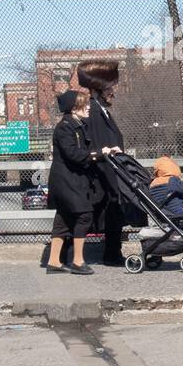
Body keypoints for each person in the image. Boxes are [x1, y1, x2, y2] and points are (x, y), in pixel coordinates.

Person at [45, 91, 119, 274]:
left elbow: (84, 151)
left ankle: (54, 262)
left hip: (72, 180)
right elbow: (74, 155)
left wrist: (104, 151)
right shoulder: (65, 128)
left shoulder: (77, 125)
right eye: (84, 105)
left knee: (63, 219)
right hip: (67, 180)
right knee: (84, 215)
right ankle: (78, 261)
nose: (88, 108)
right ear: (73, 108)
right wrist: (100, 154)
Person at [77, 58, 127, 265]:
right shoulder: (95, 112)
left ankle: (111, 253)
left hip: (109, 173)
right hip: (105, 175)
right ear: (100, 88)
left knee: (107, 216)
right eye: (110, 87)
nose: (113, 91)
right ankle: (111, 254)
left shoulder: (99, 109)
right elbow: (99, 144)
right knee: (107, 214)